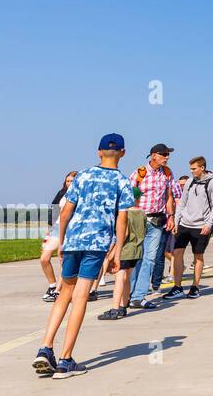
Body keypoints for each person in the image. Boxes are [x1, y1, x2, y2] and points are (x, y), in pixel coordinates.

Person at [33, 133, 133, 379]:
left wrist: (62, 243)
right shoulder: (122, 182)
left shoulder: (84, 175)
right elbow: (122, 220)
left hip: (74, 240)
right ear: (123, 153)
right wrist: (118, 251)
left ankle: (45, 347)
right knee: (80, 298)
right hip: (96, 245)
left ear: (98, 152)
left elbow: (66, 212)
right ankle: (65, 360)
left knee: (64, 294)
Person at [128, 143, 177, 310]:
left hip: (157, 221)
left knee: (149, 259)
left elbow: (170, 195)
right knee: (135, 257)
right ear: (153, 155)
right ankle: (129, 293)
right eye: (164, 154)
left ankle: (138, 297)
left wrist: (171, 216)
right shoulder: (140, 173)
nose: (167, 157)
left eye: (168, 154)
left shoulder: (167, 174)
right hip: (139, 219)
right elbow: (130, 194)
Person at [163, 156, 213, 300]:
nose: (192, 171)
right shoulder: (189, 181)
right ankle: (177, 287)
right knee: (177, 253)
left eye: (194, 169)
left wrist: (209, 224)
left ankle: (195, 287)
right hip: (184, 224)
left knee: (198, 256)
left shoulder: (212, 183)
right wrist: (176, 221)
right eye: (190, 169)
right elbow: (182, 203)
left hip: (201, 226)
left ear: (202, 168)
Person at [96, 186, 147, 321]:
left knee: (119, 279)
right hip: (137, 250)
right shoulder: (142, 213)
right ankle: (124, 306)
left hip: (125, 250)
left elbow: (122, 234)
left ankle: (115, 309)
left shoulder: (124, 214)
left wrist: (112, 253)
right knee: (127, 279)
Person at [40, 171, 77, 302]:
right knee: (44, 259)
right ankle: (52, 285)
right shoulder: (61, 194)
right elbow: (54, 212)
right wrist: (49, 229)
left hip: (71, 230)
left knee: (63, 260)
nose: (70, 183)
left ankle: (58, 291)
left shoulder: (80, 196)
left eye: (72, 181)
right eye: (68, 181)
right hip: (56, 229)